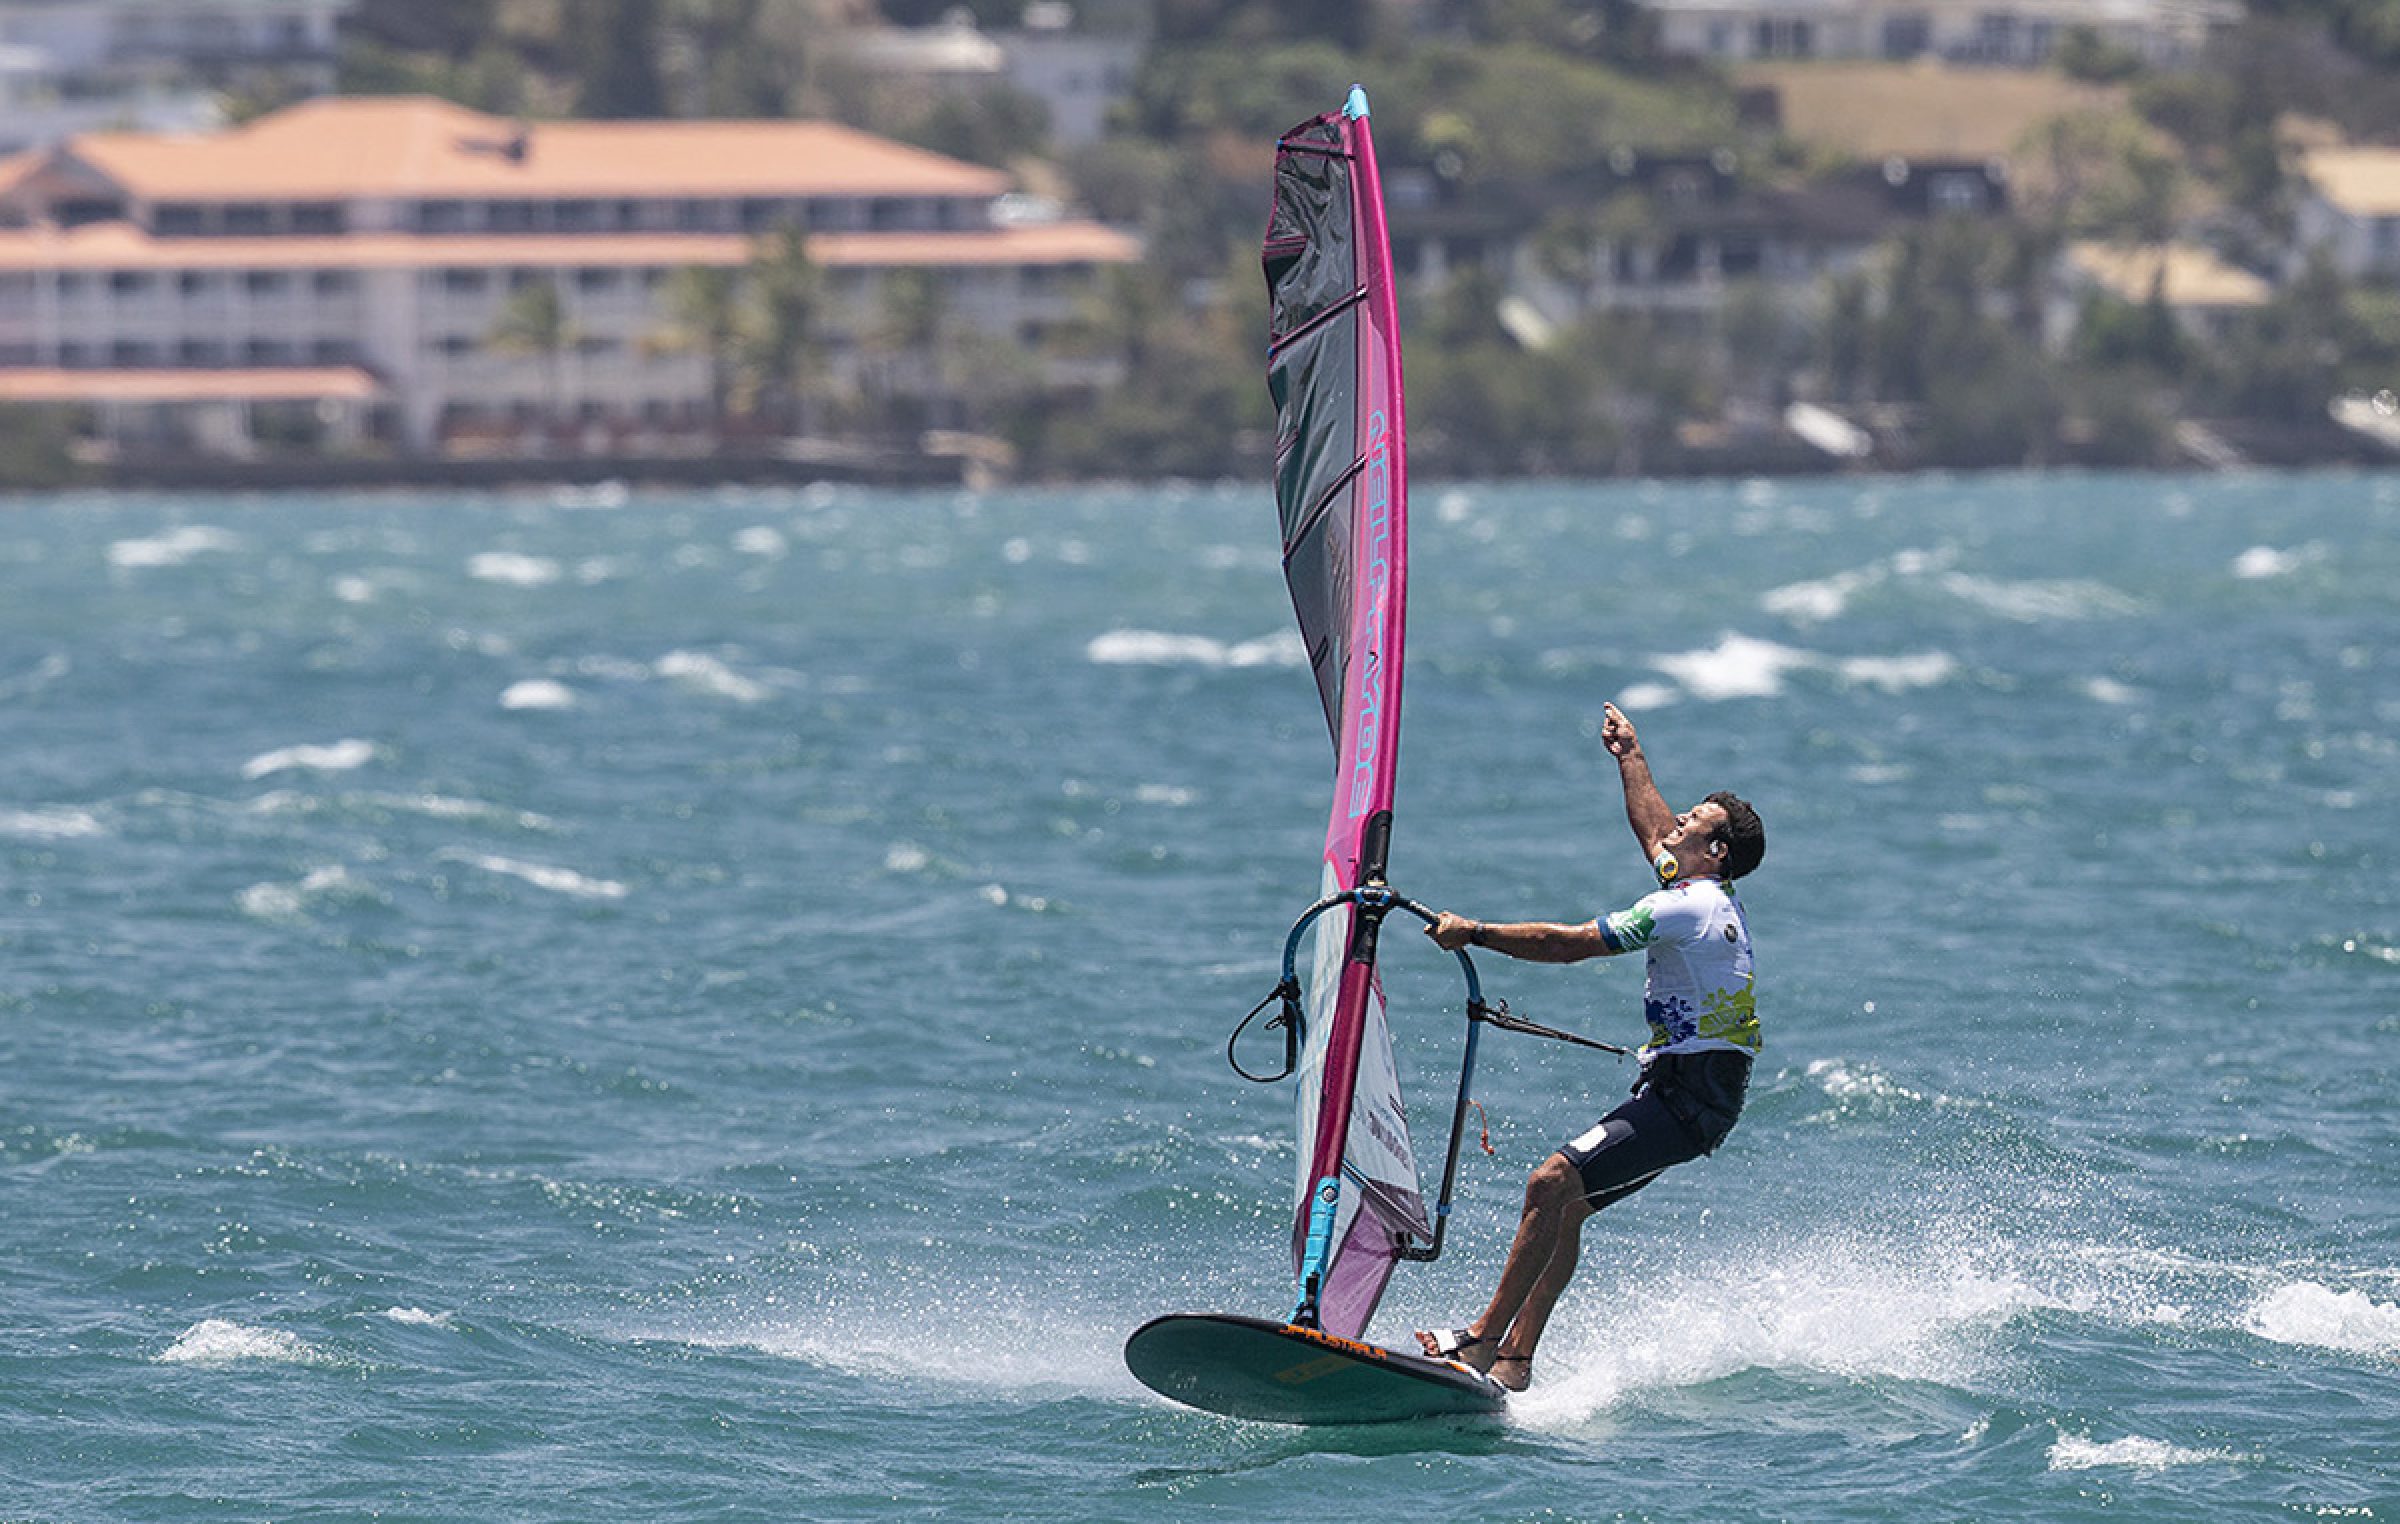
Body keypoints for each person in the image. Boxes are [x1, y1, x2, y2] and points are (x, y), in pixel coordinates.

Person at [1413, 701, 1764, 1392]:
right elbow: (1657, 832)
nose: (1680, 824)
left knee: (1550, 1182)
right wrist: (1629, 754)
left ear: (1716, 850)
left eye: (1695, 821)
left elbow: (1569, 944)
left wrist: (1475, 931)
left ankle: (1482, 1341)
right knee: (1569, 1206)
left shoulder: (1686, 908)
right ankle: (1517, 1360)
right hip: (1695, 1092)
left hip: (1692, 1094)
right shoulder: (1702, 890)